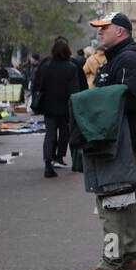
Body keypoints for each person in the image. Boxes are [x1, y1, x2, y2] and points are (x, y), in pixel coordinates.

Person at [82, 12, 136, 270]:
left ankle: (112, 261)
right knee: (123, 198)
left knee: (111, 200)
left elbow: (126, 100)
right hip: (123, 140)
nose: (100, 33)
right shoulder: (124, 58)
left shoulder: (127, 59)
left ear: (121, 32)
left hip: (120, 141)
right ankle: (127, 257)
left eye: (105, 28)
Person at [33, 36, 86, 177]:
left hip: (49, 106)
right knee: (65, 133)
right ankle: (61, 157)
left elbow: (39, 86)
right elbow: (74, 90)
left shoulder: (46, 66)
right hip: (66, 107)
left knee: (49, 134)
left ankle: (47, 163)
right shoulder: (71, 67)